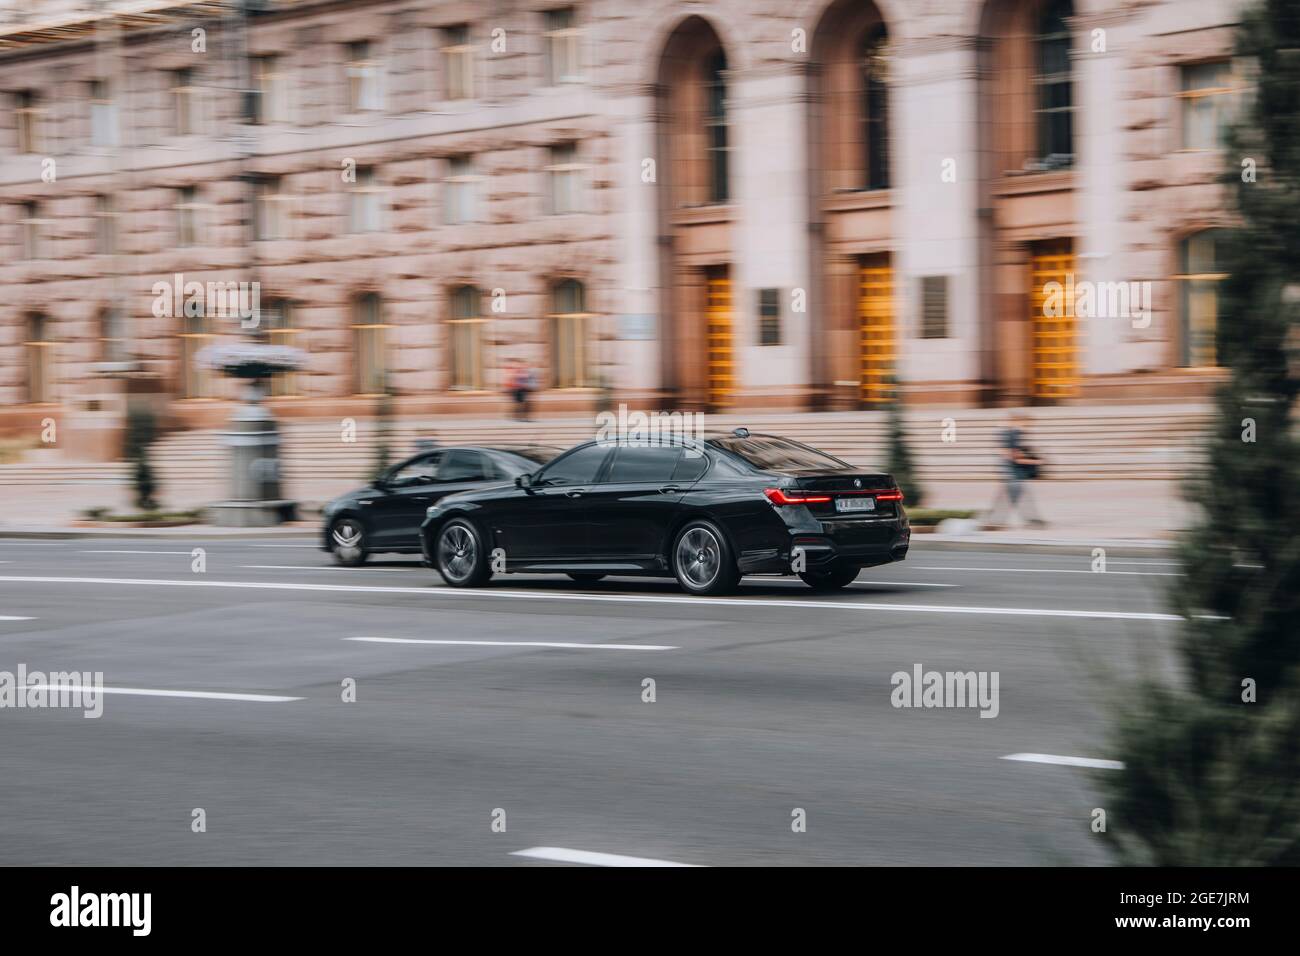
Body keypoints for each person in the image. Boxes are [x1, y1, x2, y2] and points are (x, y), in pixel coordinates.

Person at [984, 412, 1045, 529]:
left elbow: (1006, 453)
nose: (1029, 427)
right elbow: (1014, 457)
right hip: (1014, 473)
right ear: (1019, 421)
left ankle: (994, 521)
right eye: (1028, 424)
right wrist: (1035, 462)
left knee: (1012, 497)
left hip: (1008, 472)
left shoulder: (1005, 434)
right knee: (1016, 497)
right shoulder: (1014, 434)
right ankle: (995, 521)